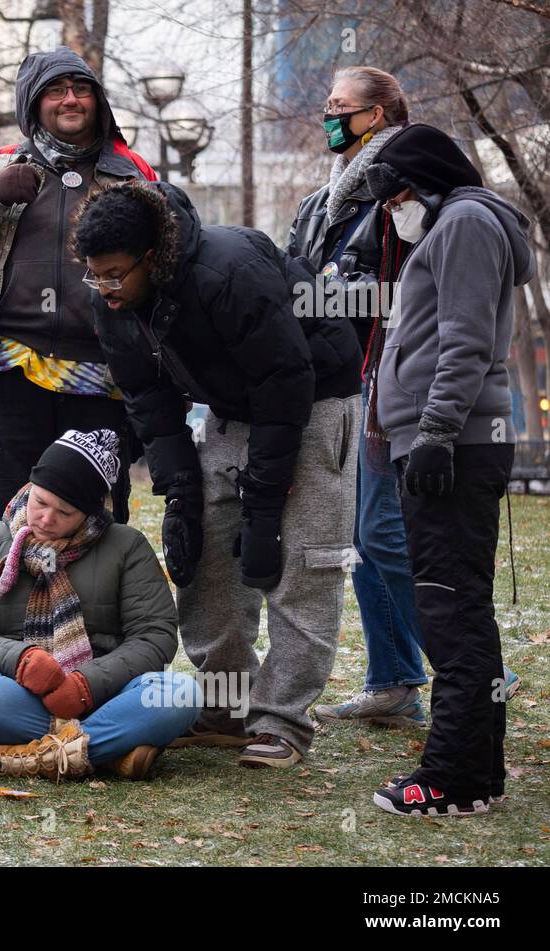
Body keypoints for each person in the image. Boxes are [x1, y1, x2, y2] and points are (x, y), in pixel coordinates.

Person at [73, 180, 363, 769]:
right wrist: (180, 494)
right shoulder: (113, 305)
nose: (102, 289)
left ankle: (281, 718)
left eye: (114, 274)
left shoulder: (229, 271)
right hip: (230, 406)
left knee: (298, 557)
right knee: (202, 546)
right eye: (92, 274)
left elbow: (286, 383)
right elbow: (149, 402)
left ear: (153, 258)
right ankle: (228, 704)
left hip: (312, 398)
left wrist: (262, 505)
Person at [0, 46, 156, 560]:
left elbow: (169, 268)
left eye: (82, 89)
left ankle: (85, 635)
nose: (70, 100)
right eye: (56, 90)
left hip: (101, 382)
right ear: (34, 102)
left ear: (98, 100)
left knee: (93, 520)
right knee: (2, 516)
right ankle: (5, 636)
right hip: (9, 377)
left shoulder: (134, 171)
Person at [362, 125, 534, 816]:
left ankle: (455, 780)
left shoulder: (463, 221)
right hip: (439, 441)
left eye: (397, 192)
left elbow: (463, 339)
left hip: (455, 446)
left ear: (426, 180)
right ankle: (473, 773)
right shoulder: (453, 226)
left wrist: (434, 432)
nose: (392, 208)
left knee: (450, 607)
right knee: (452, 604)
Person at [286, 68, 430, 732]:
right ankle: (395, 679)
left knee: (383, 532)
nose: (328, 117)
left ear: (376, 116)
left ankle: (471, 667)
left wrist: (333, 292)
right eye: (327, 105)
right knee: (363, 536)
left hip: (389, 375)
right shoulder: (328, 200)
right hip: (341, 380)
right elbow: (299, 277)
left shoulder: (406, 186)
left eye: (339, 108)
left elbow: (407, 287)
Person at [0, 429, 200, 781]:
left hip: (106, 697)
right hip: (18, 694)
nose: (45, 519)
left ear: (91, 513)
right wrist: (21, 658)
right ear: (29, 487)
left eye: (65, 512)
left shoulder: (126, 546)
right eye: (40, 502)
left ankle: (23, 757)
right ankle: (107, 752)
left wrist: (84, 685)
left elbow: (154, 637)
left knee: (180, 694)